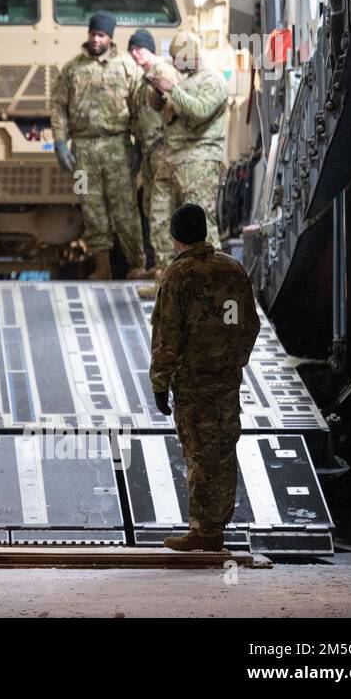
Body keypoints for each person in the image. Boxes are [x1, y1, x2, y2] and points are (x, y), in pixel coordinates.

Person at [150, 203, 260, 551]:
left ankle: (203, 531)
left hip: (193, 382)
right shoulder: (233, 269)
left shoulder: (177, 276)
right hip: (226, 379)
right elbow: (251, 324)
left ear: (175, 236)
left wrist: (159, 383)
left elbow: (167, 336)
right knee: (223, 449)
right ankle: (216, 527)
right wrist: (235, 360)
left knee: (198, 453)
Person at [50, 10, 146, 279]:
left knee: (125, 210)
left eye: (101, 35)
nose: (95, 39)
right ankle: (102, 266)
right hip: (82, 152)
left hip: (117, 148)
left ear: (110, 38)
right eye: (92, 34)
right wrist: (59, 141)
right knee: (91, 208)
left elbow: (139, 107)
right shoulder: (72, 69)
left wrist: (138, 145)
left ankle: (137, 265)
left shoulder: (127, 67)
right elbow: (58, 106)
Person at [136, 31, 228, 298]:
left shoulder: (213, 81)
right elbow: (168, 112)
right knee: (160, 218)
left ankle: (211, 284)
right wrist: (158, 95)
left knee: (202, 224)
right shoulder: (187, 81)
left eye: (178, 58)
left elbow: (199, 112)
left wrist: (172, 88)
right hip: (171, 158)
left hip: (198, 160)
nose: (175, 64)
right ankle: (167, 280)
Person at [126, 28, 177, 281]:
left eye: (140, 48)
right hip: (147, 150)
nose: (136, 53)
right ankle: (156, 263)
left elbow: (176, 105)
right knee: (148, 207)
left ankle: (165, 268)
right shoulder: (142, 79)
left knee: (161, 209)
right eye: (132, 49)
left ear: (151, 49)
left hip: (161, 147)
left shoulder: (162, 72)